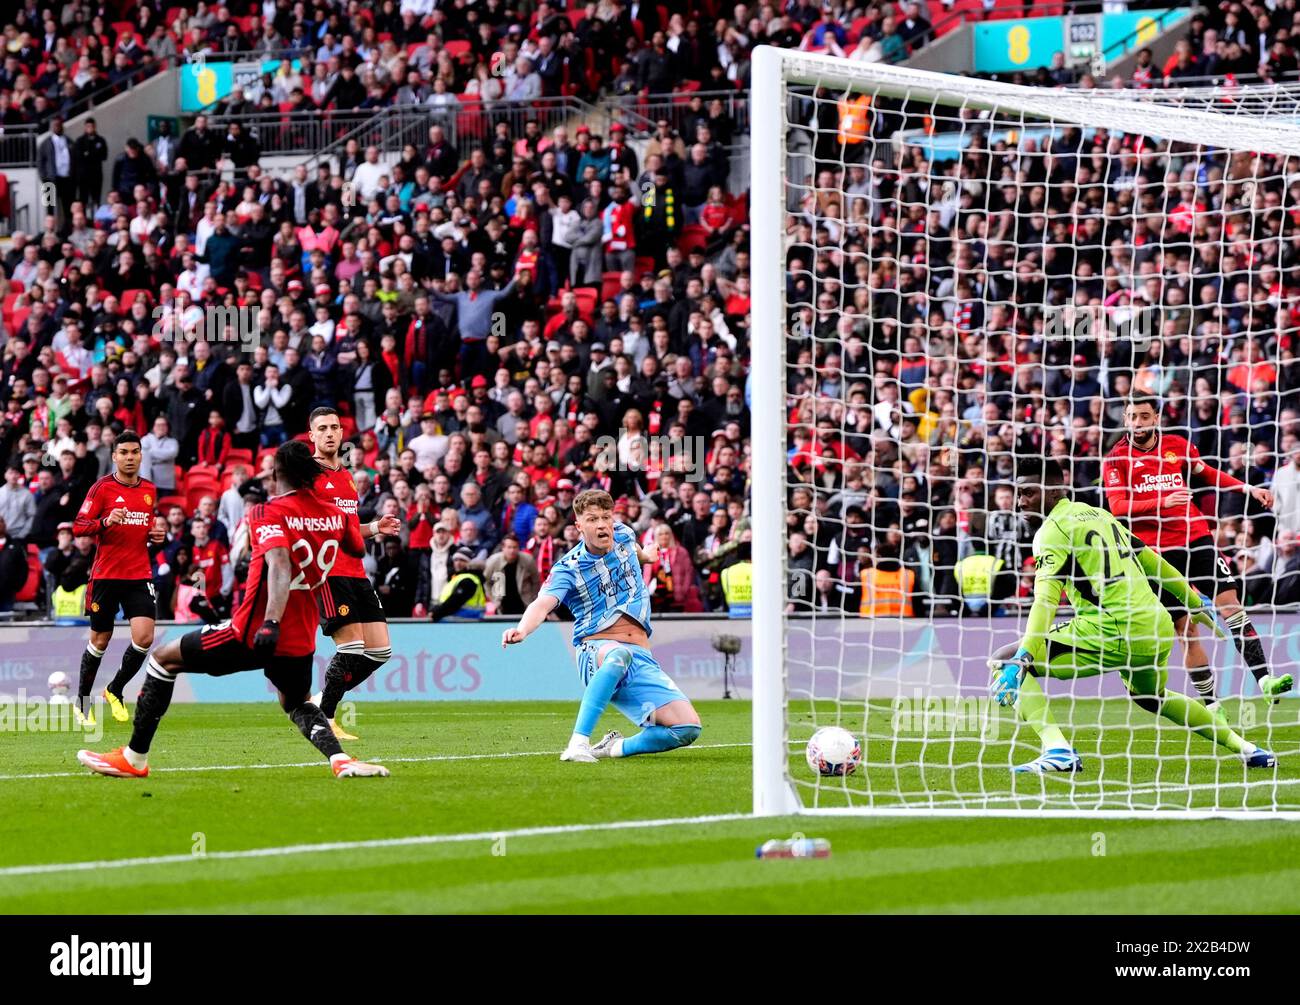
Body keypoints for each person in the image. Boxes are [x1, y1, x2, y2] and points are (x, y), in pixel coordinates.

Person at [77, 441, 388, 780]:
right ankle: (340, 760)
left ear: (275, 474)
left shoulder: (265, 512)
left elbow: (279, 564)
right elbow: (356, 546)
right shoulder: (335, 514)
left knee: (163, 660)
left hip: (253, 629)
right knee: (297, 703)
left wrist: (270, 622)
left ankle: (134, 759)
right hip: (300, 638)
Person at [988, 459, 1274, 774]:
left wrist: (1025, 656)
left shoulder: (1052, 530)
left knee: (1006, 658)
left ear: (1054, 491)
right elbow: (1153, 562)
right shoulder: (1100, 515)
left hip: (1112, 630)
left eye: (1028, 492)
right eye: (1018, 493)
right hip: (1157, 627)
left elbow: (1044, 601)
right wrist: (1194, 603)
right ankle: (1249, 750)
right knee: (1153, 698)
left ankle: (1058, 751)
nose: (1020, 501)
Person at [1102, 395, 1292, 717]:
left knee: (1232, 606)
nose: (1137, 424)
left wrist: (1248, 489)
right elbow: (1118, 509)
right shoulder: (1116, 459)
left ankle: (1265, 680)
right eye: (1132, 417)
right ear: (1125, 420)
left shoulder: (1177, 445)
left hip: (1197, 539)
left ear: (1156, 418)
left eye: (1144, 417)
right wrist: (1164, 502)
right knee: (1185, 628)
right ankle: (1213, 706)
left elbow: (1207, 473)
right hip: (1155, 554)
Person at [502, 488, 702, 763]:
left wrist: (647, 557)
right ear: (579, 526)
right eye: (592, 519)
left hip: (640, 656)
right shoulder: (568, 568)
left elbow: (633, 553)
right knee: (619, 655)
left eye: (605, 517)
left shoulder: (624, 533)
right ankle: (577, 743)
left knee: (687, 729)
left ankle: (615, 748)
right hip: (595, 649)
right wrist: (522, 629)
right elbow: (542, 603)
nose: (601, 525)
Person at [307, 407, 402, 740]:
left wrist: (375, 527)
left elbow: (346, 528)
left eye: (335, 427)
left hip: (357, 572)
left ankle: (321, 702)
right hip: (329, 573)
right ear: (312, 435)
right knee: (351, 648)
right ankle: (325, 717)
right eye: (323, 428)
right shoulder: (308, 475)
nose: (330, 433)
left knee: (380, 651)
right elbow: (302, 524)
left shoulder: (346, 476)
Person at [69, 431, 165, 725]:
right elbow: (78, 526)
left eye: (134, 452)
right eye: (123, 452)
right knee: (100, 640)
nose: (129, 457)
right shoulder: (101, 490)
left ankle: (115, 689)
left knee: (144, 638)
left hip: (138, 574)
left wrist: (156, 536)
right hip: (106, 576)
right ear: (114, 456)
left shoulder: (149, 490)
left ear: (141, 455)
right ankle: (82, 702)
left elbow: (145, 529)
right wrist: (104, 522)